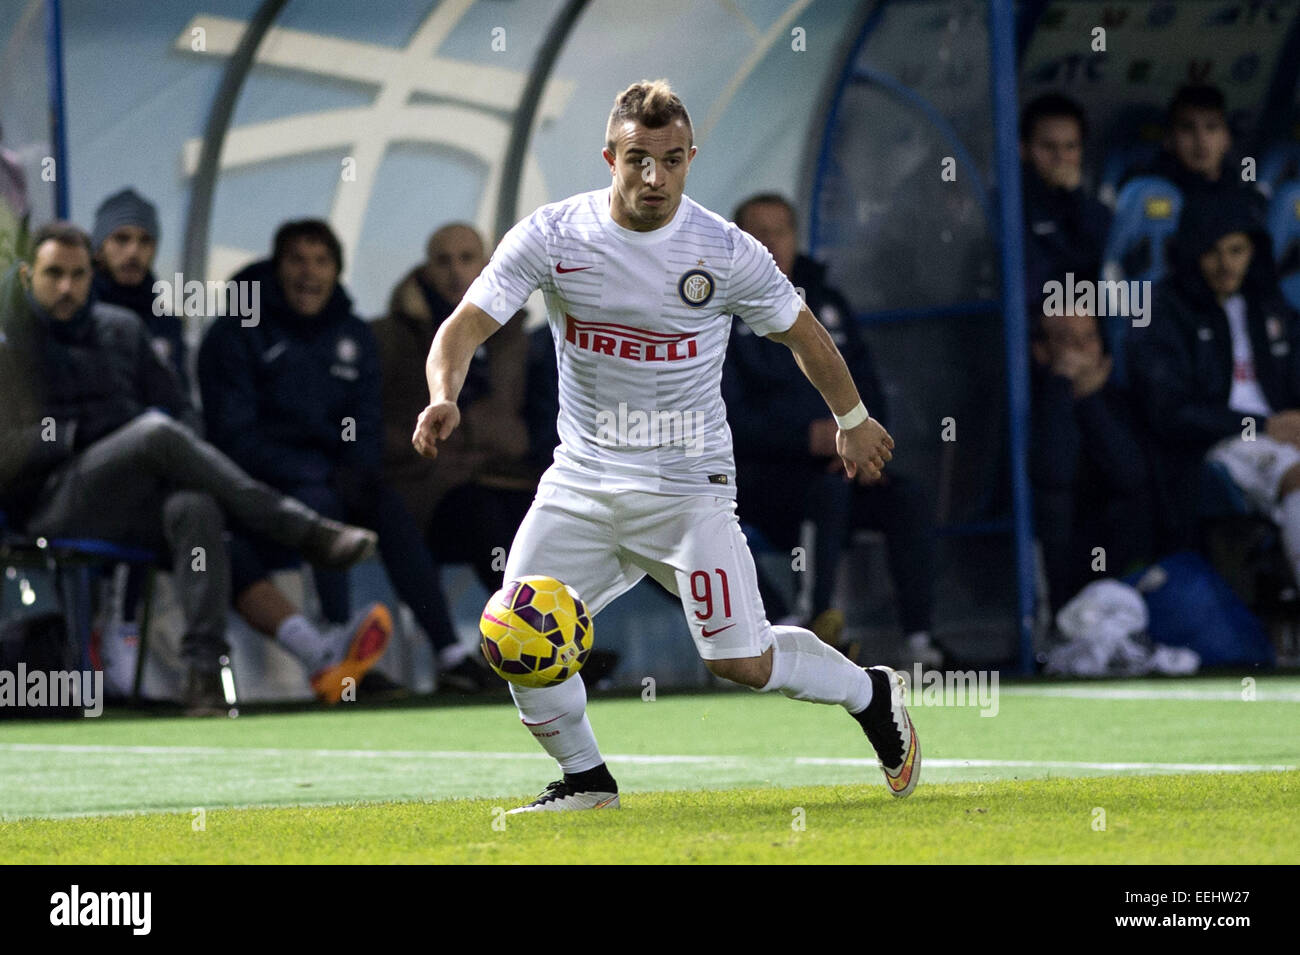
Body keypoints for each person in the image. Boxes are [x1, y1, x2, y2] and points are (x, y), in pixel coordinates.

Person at [412, 79, 919, 812]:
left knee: (739, 660)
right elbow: (463, 326)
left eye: (673, 160)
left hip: (688, 489)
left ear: (690, 158)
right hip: (581, 482)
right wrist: (442, 395)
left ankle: (870, 692)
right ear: (610, 156)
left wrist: (852, 417)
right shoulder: (555, 235)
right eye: (639, 160)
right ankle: (587, 780)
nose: (656, 179)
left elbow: (804, 332)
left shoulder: (722, 248)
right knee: (516, 632)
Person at [0, 223, 388, 714]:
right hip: (49, 505)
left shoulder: (121, 329)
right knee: (152, 433)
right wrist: (77, 433)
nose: (66, 287)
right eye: (54, 274)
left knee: (195, 505)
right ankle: (304, 530)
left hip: (131, 497)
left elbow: (180, 409)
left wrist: (150, 449)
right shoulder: (9, 343)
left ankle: (203, 676)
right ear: (27, 273)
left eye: (78, 275)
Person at [197, 219, 487, 693]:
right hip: (261, 486)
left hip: (335, 475)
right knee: (324, 506)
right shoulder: (238, 330)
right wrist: (313, 473)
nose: (309, 273)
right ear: (276, 267)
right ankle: (338, 649)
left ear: (336, 270)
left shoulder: (351, 332)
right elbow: (232, 435)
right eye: (296, 260)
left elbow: (365, 420)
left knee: (386, 507)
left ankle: (450, 653)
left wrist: (358, 469)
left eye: (321, 261)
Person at [722, 193, 941, 666]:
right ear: (736, 241)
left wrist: (868, 450)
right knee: (826, 492)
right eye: (756, 232)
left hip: (841, 469)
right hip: (761, 479)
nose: (770, 242)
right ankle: (810, 628)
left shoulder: (826, 302)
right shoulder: (720, 310)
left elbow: (870, 389)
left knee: (908, 497)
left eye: (780, 230)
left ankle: (919, 641)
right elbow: (724, 415)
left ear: (796, 237)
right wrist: (805, 437)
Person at [1128, 191, 1300, 570]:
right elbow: (1169, 411)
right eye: (1213, 253)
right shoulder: (1163, 310)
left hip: (1283, 430)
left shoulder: (1269, 306)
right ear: (1192, 254)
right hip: (1218, 441)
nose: (1226, 265)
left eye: (1236, 251)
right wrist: (1263, 425)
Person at [374, 223, 534, 596]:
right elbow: (365, 422)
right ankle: (528, 632)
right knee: (484, 515)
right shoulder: (389, 336)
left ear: (484, 264)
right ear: (426, 268)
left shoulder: (515, 336)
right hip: (429, 484)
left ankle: (554, 632)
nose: (456, 271)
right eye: (443, 260)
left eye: (466, 259)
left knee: (551, 519)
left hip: (505, 475)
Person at [1030, 305, 1153, 612]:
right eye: (1068, 340)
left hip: (1113, 552)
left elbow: (1131, 476)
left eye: (1089, 338)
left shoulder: (1121, 399)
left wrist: (1088, 401)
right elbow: (1053, 473)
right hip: (1057, 551)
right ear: (1042, 351)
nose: (1083, 350)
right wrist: (1062, 386)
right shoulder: (1030, 402)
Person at [90, 188, 189, 393]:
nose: (134, 251)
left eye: (145, 241)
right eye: (121, 239)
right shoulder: (77, 317)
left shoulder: (167, 326)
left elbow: (180, 400)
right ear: (99, 249)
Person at [1019, 94, 1111, 305]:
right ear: (1023, 149)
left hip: (1088, 325)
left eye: (1070, 147)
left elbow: (1106, 261)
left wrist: (1075, 196)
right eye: (1049, 147)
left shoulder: (1092, 207)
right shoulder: (1011, 208)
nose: (1060, 157)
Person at [1128, 85, 1266, 221]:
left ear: (1226, 138)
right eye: (1187, 128)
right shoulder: (1154, 193)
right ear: (1169, 139)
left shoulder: (1242, 195)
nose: (1201, 140)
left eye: (1211, 128)